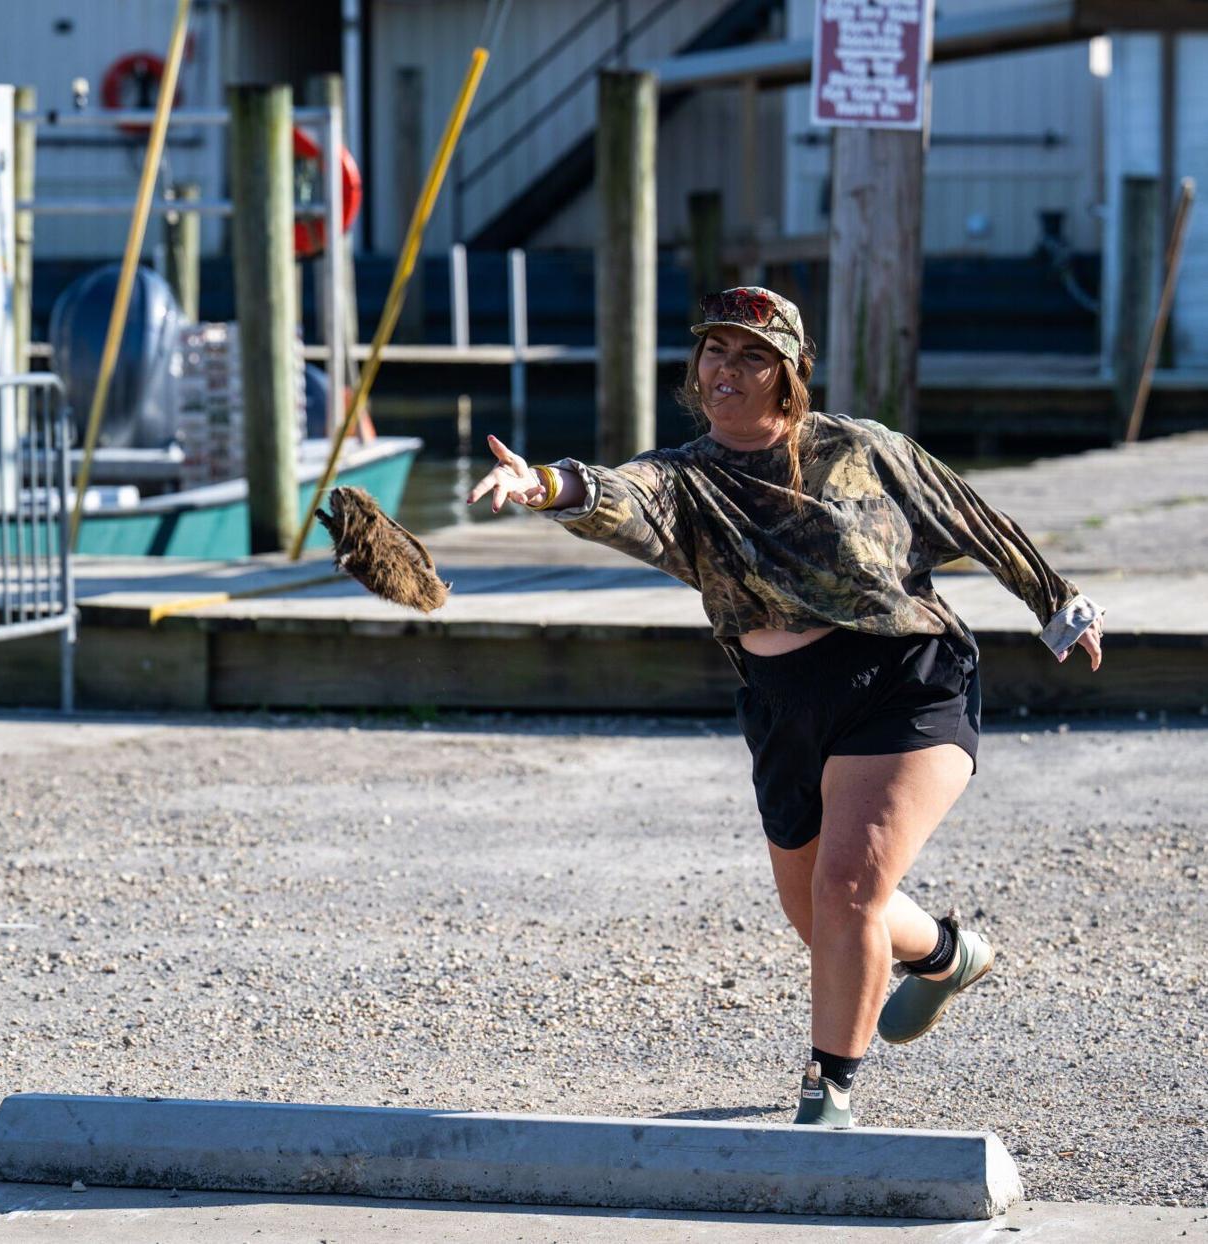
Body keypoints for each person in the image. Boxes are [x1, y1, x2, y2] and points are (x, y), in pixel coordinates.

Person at [466, 286, 1103, 1128]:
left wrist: (1055, 602)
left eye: (751, 355)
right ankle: (946, 957)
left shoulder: (861, 449)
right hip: (781, 706)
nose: (727, 369)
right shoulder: (687, 479)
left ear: (789, 372)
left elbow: (971, 516)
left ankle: (826, 1093)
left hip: (904, 676)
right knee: (819, 914)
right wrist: (544, 484)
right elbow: (616, 497)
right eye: (714, 352)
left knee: (846, 892)